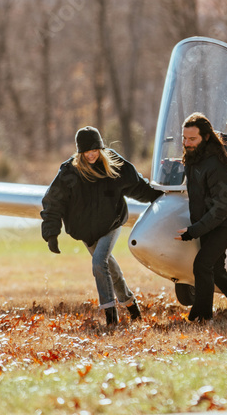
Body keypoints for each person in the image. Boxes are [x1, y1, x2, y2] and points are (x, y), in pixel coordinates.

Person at [41, 126, 162, 327]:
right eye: (87, 151)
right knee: (109, 268)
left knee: (99, 262)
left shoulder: (113, 164)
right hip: (86, 230)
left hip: (111, 222)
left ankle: (110, 316)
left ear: (101, 148)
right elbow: (53, 202)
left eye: (95, 150)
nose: (92, 154)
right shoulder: (69, 172)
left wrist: (158, 199)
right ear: (80, 152)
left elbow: (137, 186)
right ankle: (131, 304)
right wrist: (51, 234)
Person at [175, 113, 227, 321]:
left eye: (192, 139)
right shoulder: (193, 157)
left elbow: (221, 209)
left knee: (202, 263)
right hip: (211, 216)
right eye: (184, 138)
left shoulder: (218, 164)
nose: (187, 143)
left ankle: (201, 316)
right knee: (215, 268)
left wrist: (194, 230)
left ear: (206, 137)